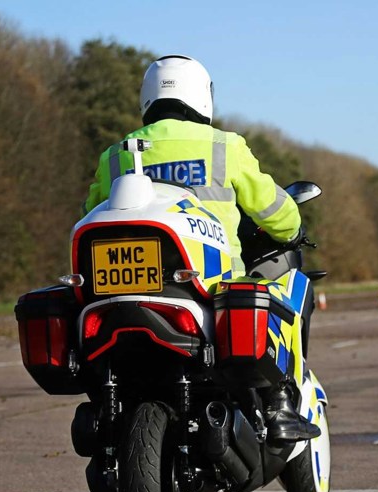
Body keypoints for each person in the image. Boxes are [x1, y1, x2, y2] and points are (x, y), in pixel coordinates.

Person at [84, 54, 319, 442]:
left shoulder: (118, 154)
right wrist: (293, 229)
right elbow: (272, 208)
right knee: (279, 295)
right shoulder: (224, 147)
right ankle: (278, 405)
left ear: (148, 97)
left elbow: (91, 212)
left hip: (123, 288)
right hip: (210, 284)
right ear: (203, 96)